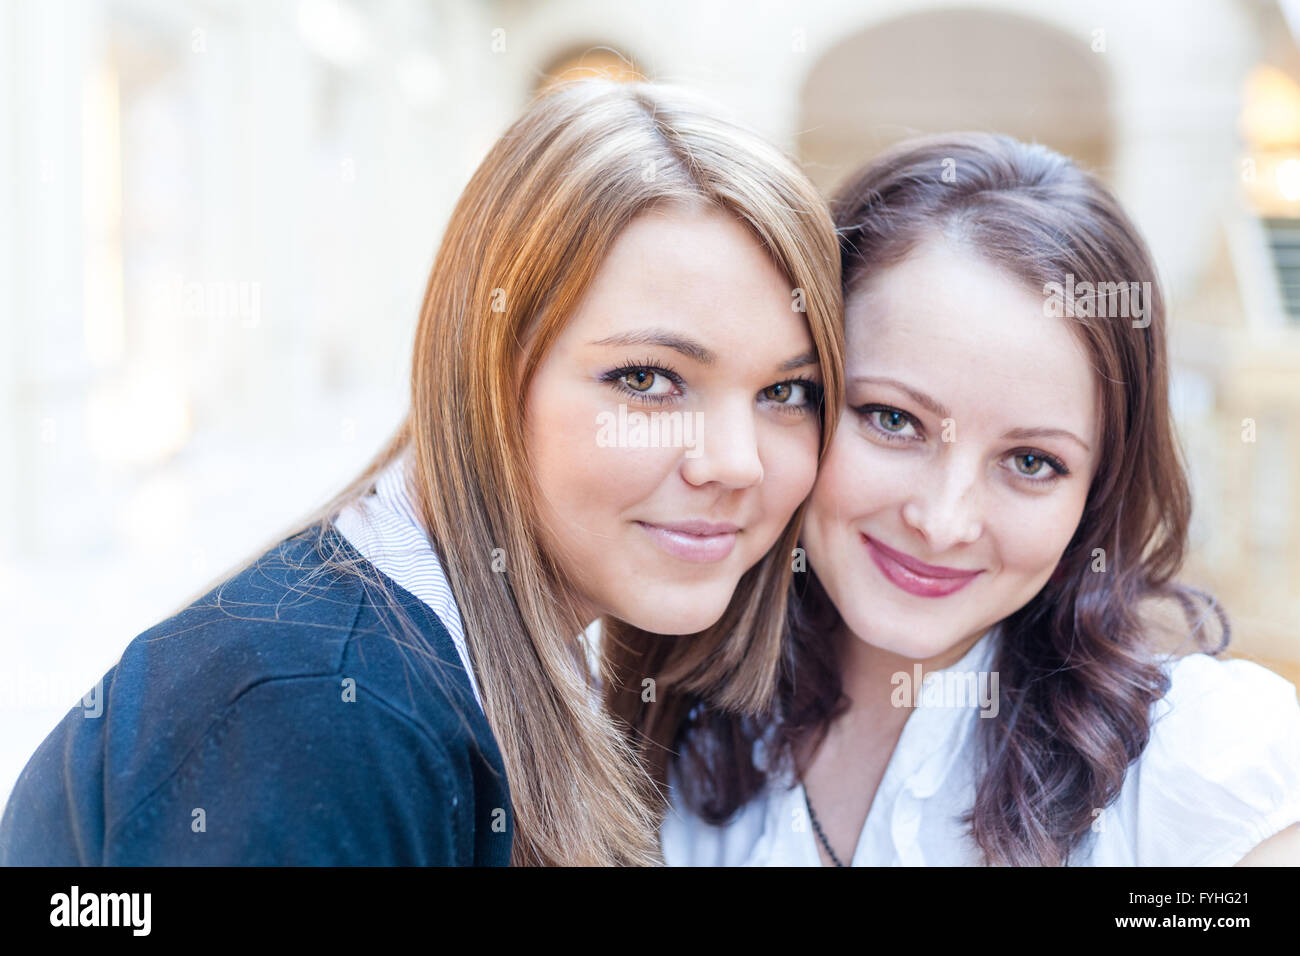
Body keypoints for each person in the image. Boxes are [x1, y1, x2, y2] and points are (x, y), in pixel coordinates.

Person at [0, 78, 844, 866]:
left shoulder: (501, 650)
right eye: (647, 380)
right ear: (488, 373)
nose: (734, 463)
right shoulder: (316, 721)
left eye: (787, 389)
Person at [653, 132, 1300, 866]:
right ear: (799, 396)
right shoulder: (676, 719)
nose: (942, 521)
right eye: (894, 421)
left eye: (1031, 461)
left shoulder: (1201, 761)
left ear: (1096, 493)